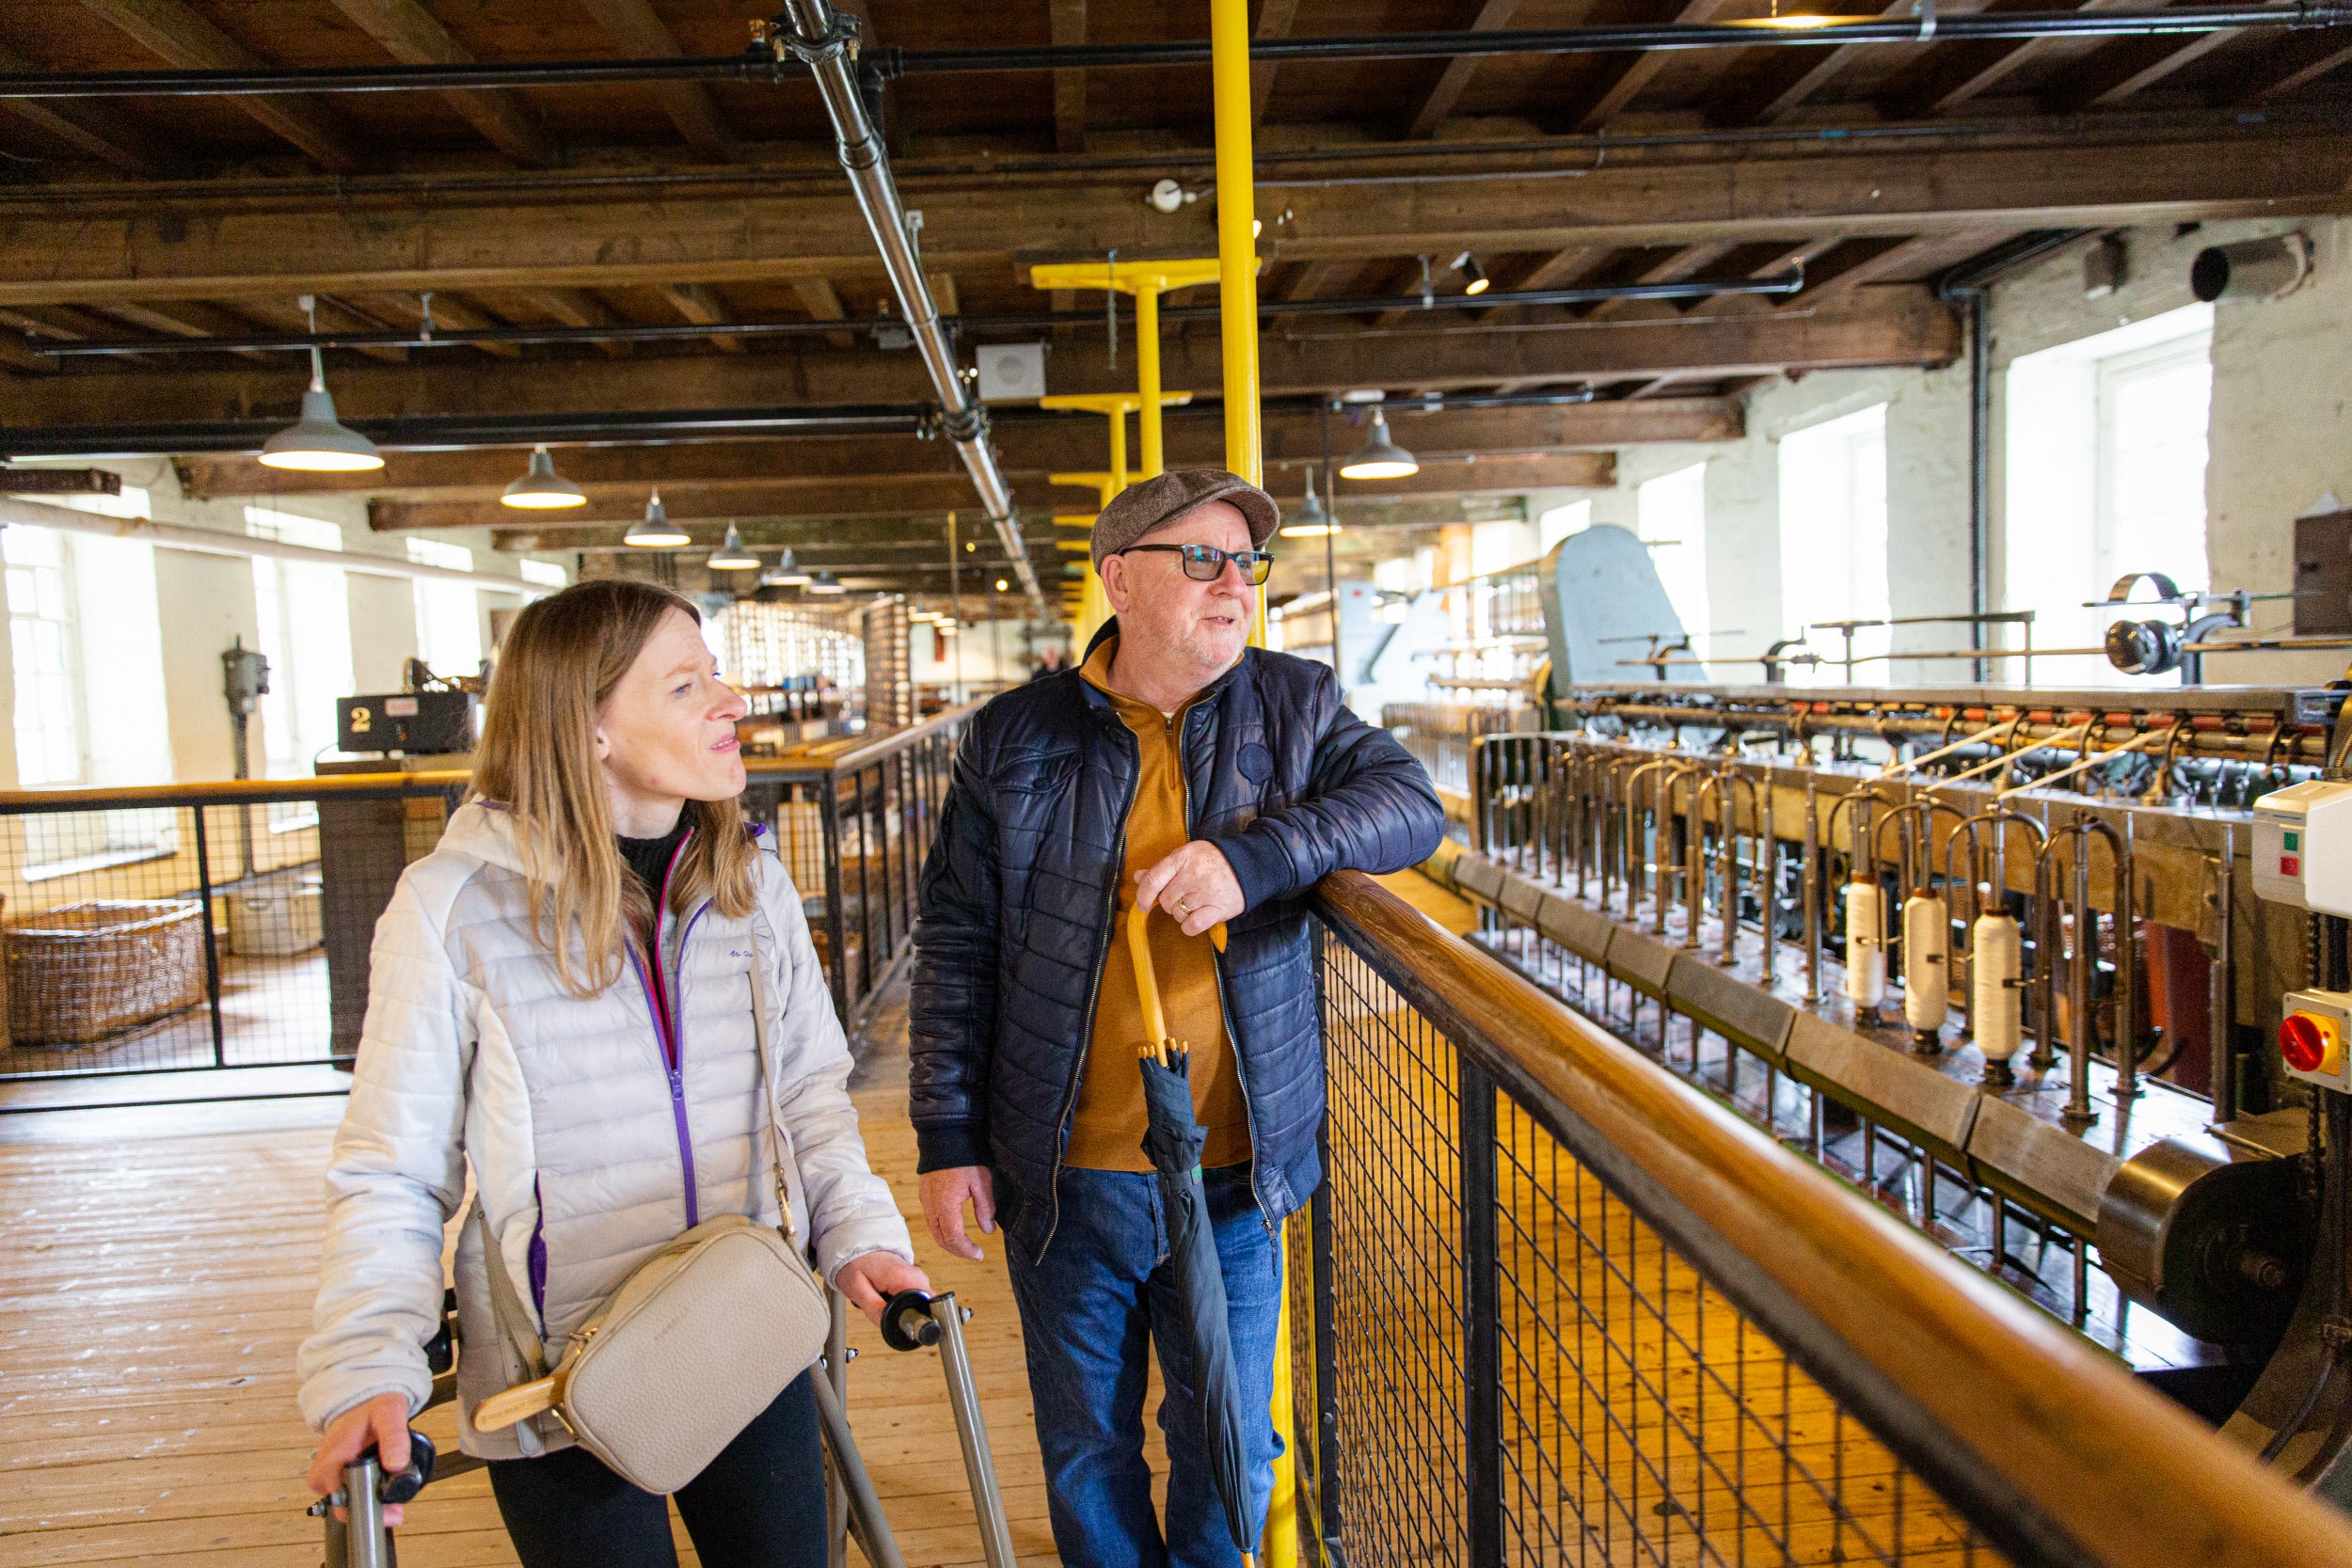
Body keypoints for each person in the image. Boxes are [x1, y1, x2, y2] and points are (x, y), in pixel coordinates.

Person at [296, 578, 927, 1568]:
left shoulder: (747, 882)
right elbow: (393, 1170)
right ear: (586, 726)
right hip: (559, 1380)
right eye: (687, 685)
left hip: (741, 1331)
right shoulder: (451, 909)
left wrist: (859, 1231)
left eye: (715, 675)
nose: (732, 702)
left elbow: (808, 1093)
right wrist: (366, 1368)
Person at [909, 468, 1445, 1566]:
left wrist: (1254, 861)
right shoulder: (1012, 739)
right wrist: (947, 1138)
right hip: (1062, 1169)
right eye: (1199, 559)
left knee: (1234, 1445)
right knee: (1084, 1450)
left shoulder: (1292, 703)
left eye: (1244, 563)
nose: (1233, 584)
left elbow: (1410, 805)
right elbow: (957, 943)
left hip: (1235, 1170)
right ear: (1119, 578)